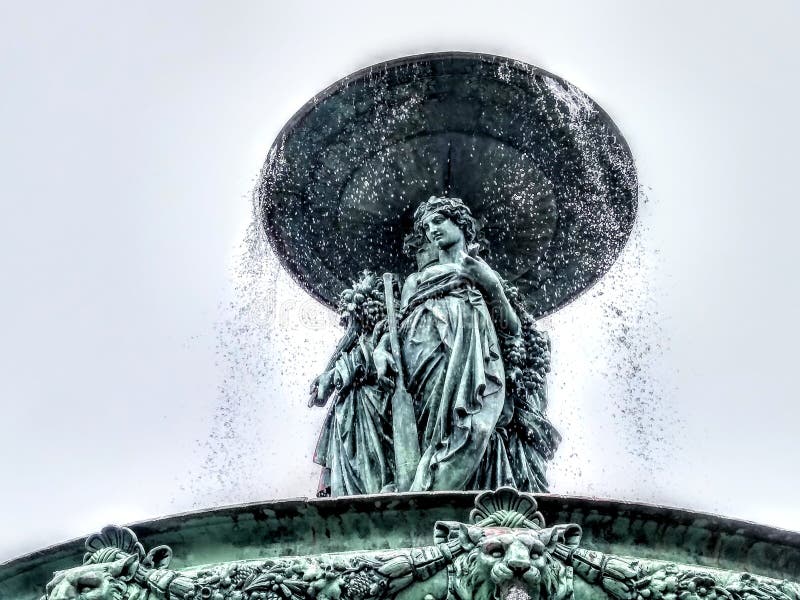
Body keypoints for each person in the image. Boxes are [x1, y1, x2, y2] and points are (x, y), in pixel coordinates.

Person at [372, 196, 521, 491]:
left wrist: (491, 285)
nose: (432, 230)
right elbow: (399, 324)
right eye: (427, 227)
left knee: (475, 427)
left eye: (439, 221)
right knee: (431, 433)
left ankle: (434, 495)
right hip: (423, 354)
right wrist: (380, 349)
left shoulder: (481, 270)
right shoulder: (417, 279)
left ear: (461, 223)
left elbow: (511, 327)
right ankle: (424, 497)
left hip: (473, 352)